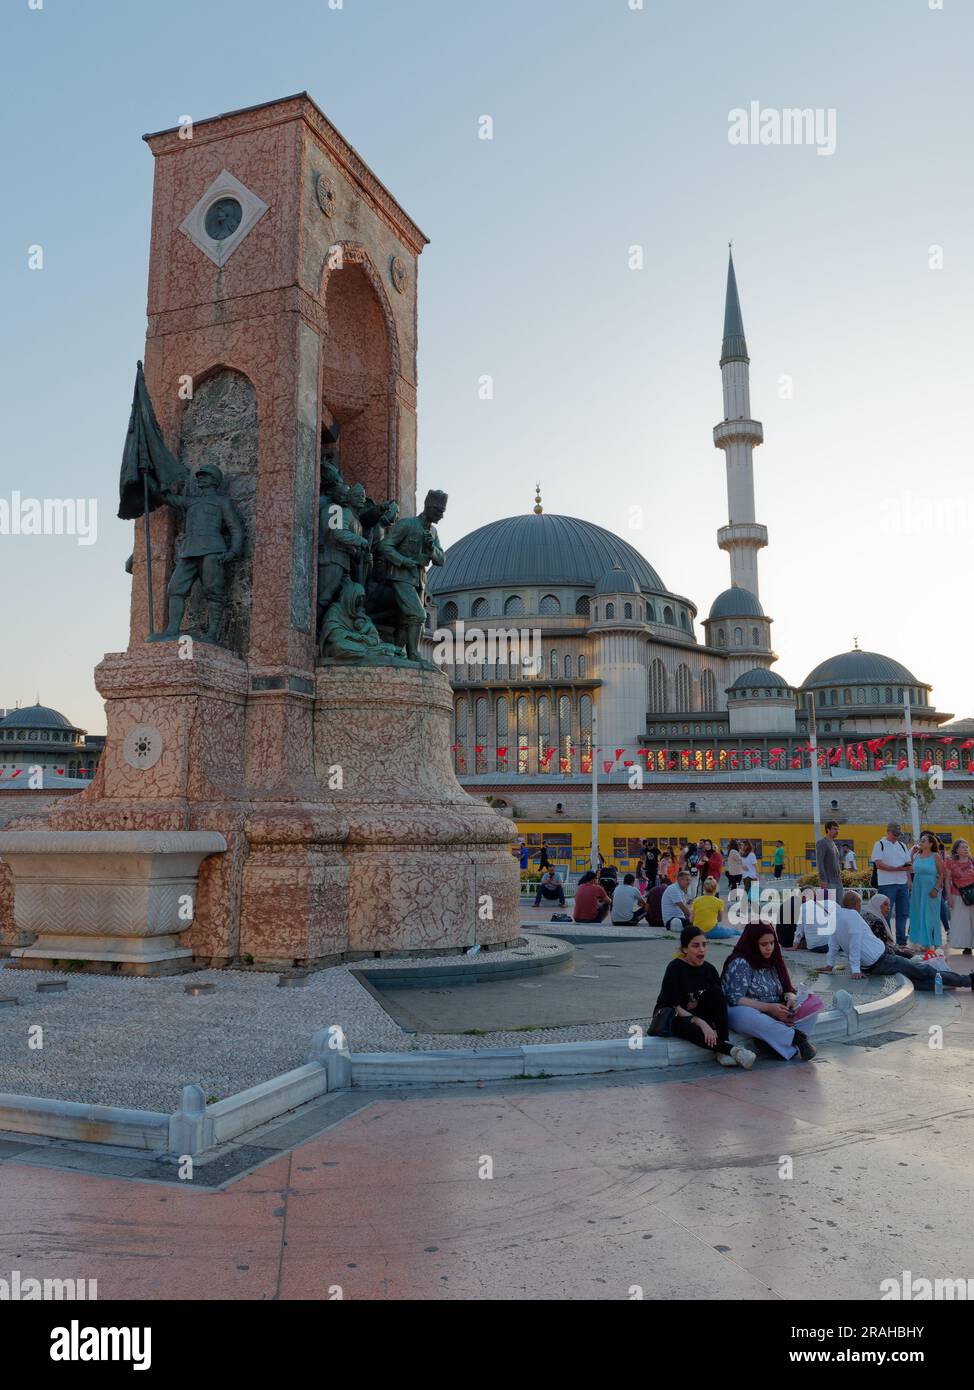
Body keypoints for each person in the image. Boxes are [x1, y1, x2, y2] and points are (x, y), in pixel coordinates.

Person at [820, 890, 974, 991]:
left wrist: (829, 964)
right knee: (924, 971)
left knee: (915, 979)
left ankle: (948, 983)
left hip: (872, 964)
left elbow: (833, 943)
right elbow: (854, 942)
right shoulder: (853, 915)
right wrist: (854, 970)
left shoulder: (836, 917)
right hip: (882, 960)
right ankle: (967, 980)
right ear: (857, 904)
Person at [654, 925, 756, 1069]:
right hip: (675, 1016)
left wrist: (705, 1019)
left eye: (704, 945)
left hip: (698, 1013)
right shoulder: (675, 968)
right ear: (684, 949)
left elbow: (717, 1001)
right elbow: (673, 1006)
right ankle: (732, 1050)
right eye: (695, 946)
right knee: (684, 1026)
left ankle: (723, 1043)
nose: (701, 949)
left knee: (717, 992)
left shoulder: (709, 969)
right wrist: (700, 1022)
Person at [721, 920, 817, 1061]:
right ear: (753, 943)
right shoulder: (741, 961)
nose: (769, 948)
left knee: (811, 1001)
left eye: (772, 943)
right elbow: (734, 998)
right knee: (743, 1014)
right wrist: (768, 1008)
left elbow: (788, 988)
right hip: (750, 1010)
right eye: (764, 944)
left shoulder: (774, 959)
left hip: (776, 1011)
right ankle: (798, 1039)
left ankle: (773, 1045)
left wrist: (790, 1000)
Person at [870, 822, 913, 947]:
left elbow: (907, 864)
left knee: (903, 913)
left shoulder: (902, 845)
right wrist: (898, 869)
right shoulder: (880, 844)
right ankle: (888, 941)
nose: (896, 836)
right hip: (887, 884)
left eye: (898, 834)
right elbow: (878, 864)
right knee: (885, 914)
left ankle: (902, 942)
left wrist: (909, 879)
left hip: (902, 883)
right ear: (888, 832)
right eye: (894, 834)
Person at [909, 832, 945, 949]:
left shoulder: (936, 856)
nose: (921, 842)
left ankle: (932, 942)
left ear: (930, 843)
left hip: (930, 888)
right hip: (917, 887)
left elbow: (942, 874)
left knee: (930, 915)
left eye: (924, 840)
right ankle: (920, 941)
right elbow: (911, 869)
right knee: (917, 913)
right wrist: (912, 855)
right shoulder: (917, 856)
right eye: (921, 840)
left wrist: (936, 888)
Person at [947, 839, 974, 955]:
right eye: (963, 847)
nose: (966, 849)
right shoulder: (950, 863)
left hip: (973, 894)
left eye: (967, 847)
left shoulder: (972, 861)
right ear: (956, 850)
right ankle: (967, 946)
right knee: (962, 922)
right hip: (958, 895)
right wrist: (949, 897)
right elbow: (947, 881)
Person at [815, 820, 843, 907]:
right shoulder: (822, 843)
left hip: (837, 880)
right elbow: (820, 863)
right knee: (830, 908)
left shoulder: (833, 843)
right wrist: (823, 880)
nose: (837, 831)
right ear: (828, 829)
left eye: (838, 829)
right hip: (828, 881)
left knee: (839, 906)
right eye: (834, 829)